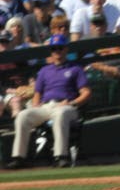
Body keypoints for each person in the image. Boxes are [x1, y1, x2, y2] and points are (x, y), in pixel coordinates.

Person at [6, 34, 91, 169]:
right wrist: (35, 105)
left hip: (67, 106)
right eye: (54, 49)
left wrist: (72, 103)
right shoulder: (44, 70)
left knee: (61, 114)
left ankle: (60, 157)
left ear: (65, 49)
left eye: (60, 48)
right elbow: (37, 93)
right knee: (22, 116)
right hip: (46, 106)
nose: (57, 51)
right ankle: (18, 158)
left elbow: (86, 92)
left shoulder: (75, 68)